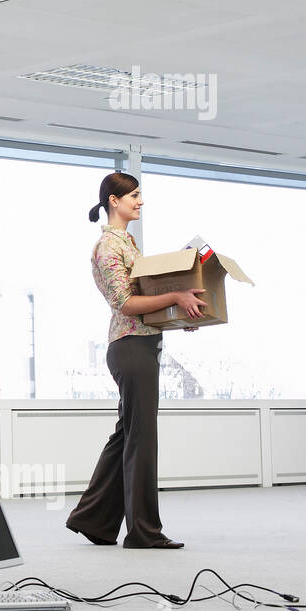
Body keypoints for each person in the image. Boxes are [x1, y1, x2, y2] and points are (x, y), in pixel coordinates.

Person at [65, 172, 205, 549]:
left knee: (127, 433)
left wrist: (178, 314)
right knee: (142, 438)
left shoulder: (127, 243)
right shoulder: (108, 247)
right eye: (135, 196)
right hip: (129, 347)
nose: (140, 202)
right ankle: (144, 532)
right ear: (114, 200)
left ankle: (93, 520)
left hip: (141, 343)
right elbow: (125, 304)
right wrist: (176, 297)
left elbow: (146, 303)